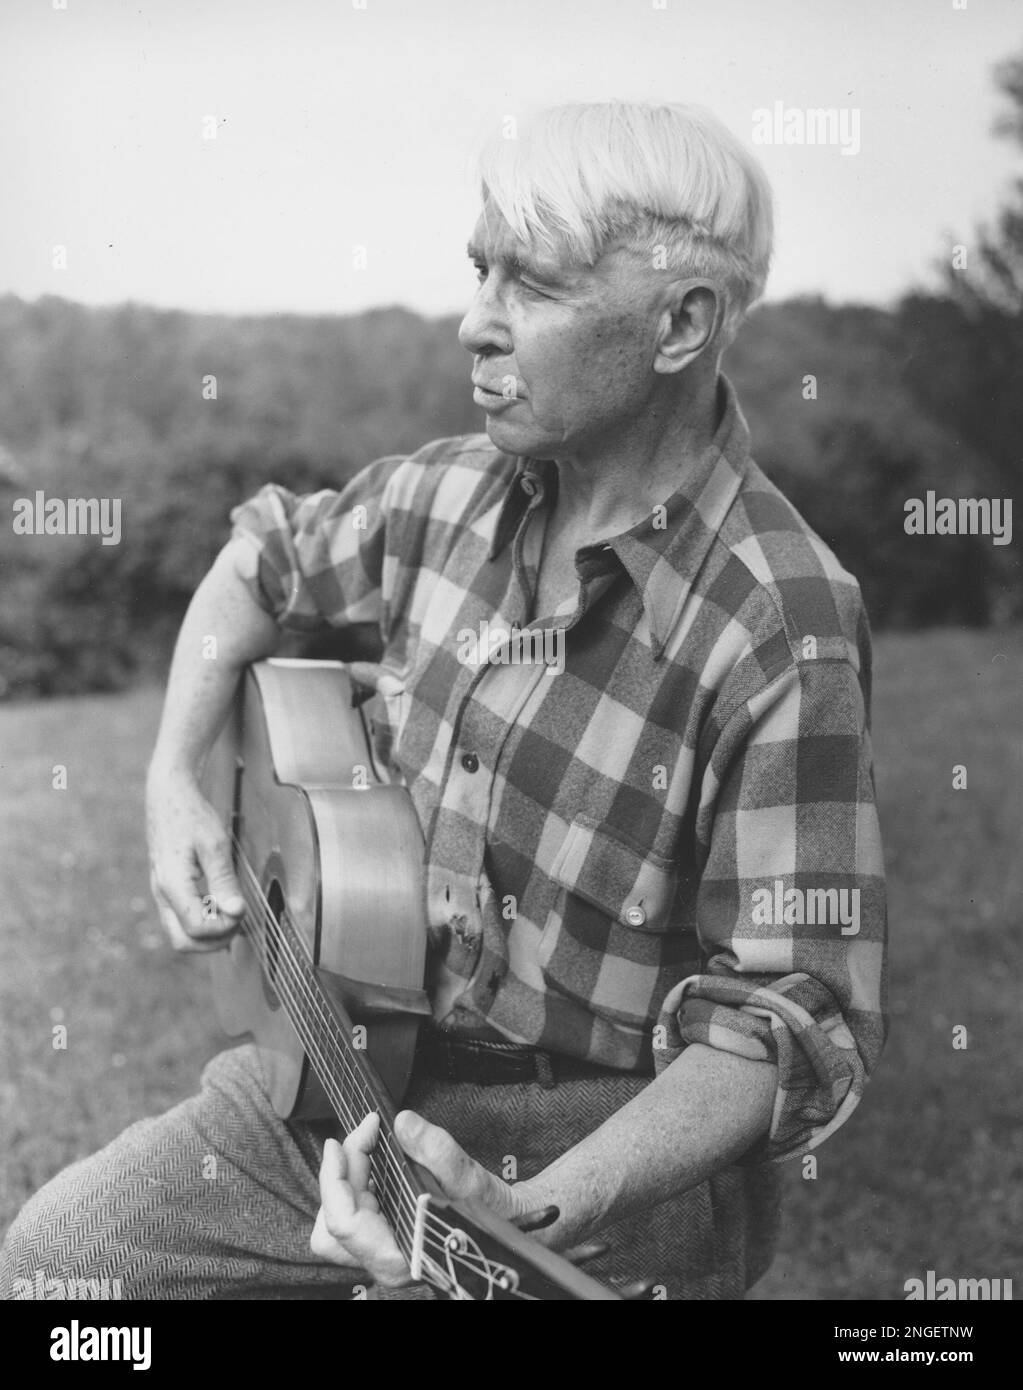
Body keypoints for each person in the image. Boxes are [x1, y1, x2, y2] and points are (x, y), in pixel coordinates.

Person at [0, 100, 886, 1302]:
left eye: (532, 284)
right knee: (61, 1274)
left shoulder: (784, 621)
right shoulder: (440, 497)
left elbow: (776, 1025)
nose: (475, 322)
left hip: (596, 1154)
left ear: (682, 322)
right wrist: (173, 777)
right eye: (480, 270)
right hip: (328, 1068)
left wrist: (518, 1211)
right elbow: (256, 564)